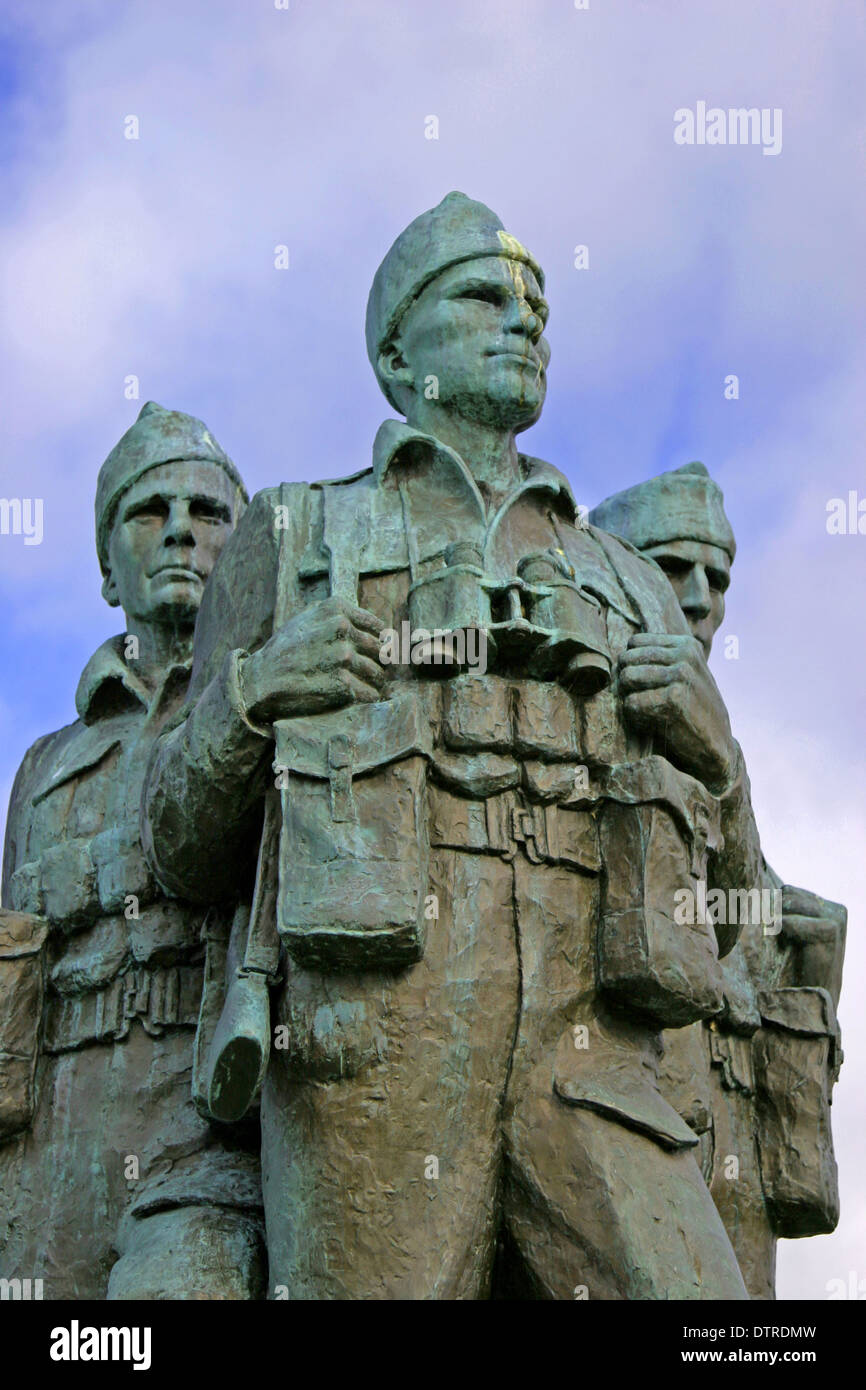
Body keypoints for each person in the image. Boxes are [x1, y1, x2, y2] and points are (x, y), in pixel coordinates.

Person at [142, 194, 766, 1299]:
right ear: (396, 353)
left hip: (595, 1053)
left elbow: (731, 908)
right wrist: (254, 691)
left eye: (537, 308)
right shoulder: (293, 531)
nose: (522, 322)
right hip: (375, 1050)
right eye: (484, 297)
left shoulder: (626, 579)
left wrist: (716, 757)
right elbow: (179, 849)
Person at [0, 403, 266, 1299]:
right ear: (107, 568)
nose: (181, 530)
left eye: (208, 512)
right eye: (149, 512)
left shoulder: (273, 710)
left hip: (207, 1127)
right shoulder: (44, 765)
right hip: (49, 1146)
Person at [591, 462, 845, 1298]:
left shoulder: (719, 742)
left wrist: (818, 962)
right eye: (674, 567)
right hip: (616, 1107)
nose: (701, 600)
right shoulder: (575, 715)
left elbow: (746, 937)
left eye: (718, 577)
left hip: (728, 1128)